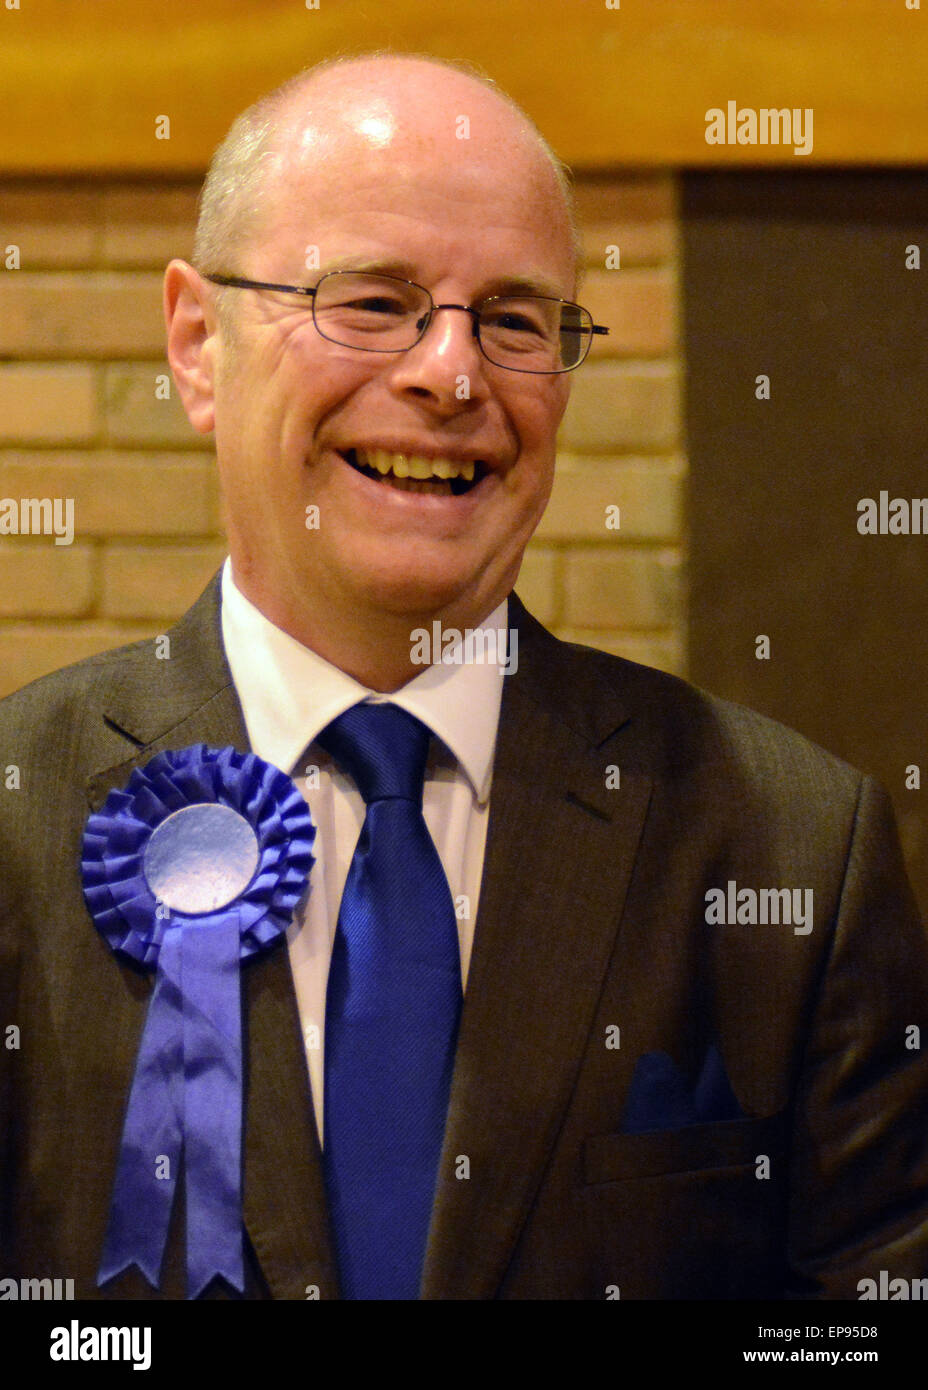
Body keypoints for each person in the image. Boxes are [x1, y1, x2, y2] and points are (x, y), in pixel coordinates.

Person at [1, 52, 927, 1302]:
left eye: (512, 319)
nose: (450, 373)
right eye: (372, 303)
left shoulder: (794, 847)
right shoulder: (18, 814)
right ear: (197, 344)